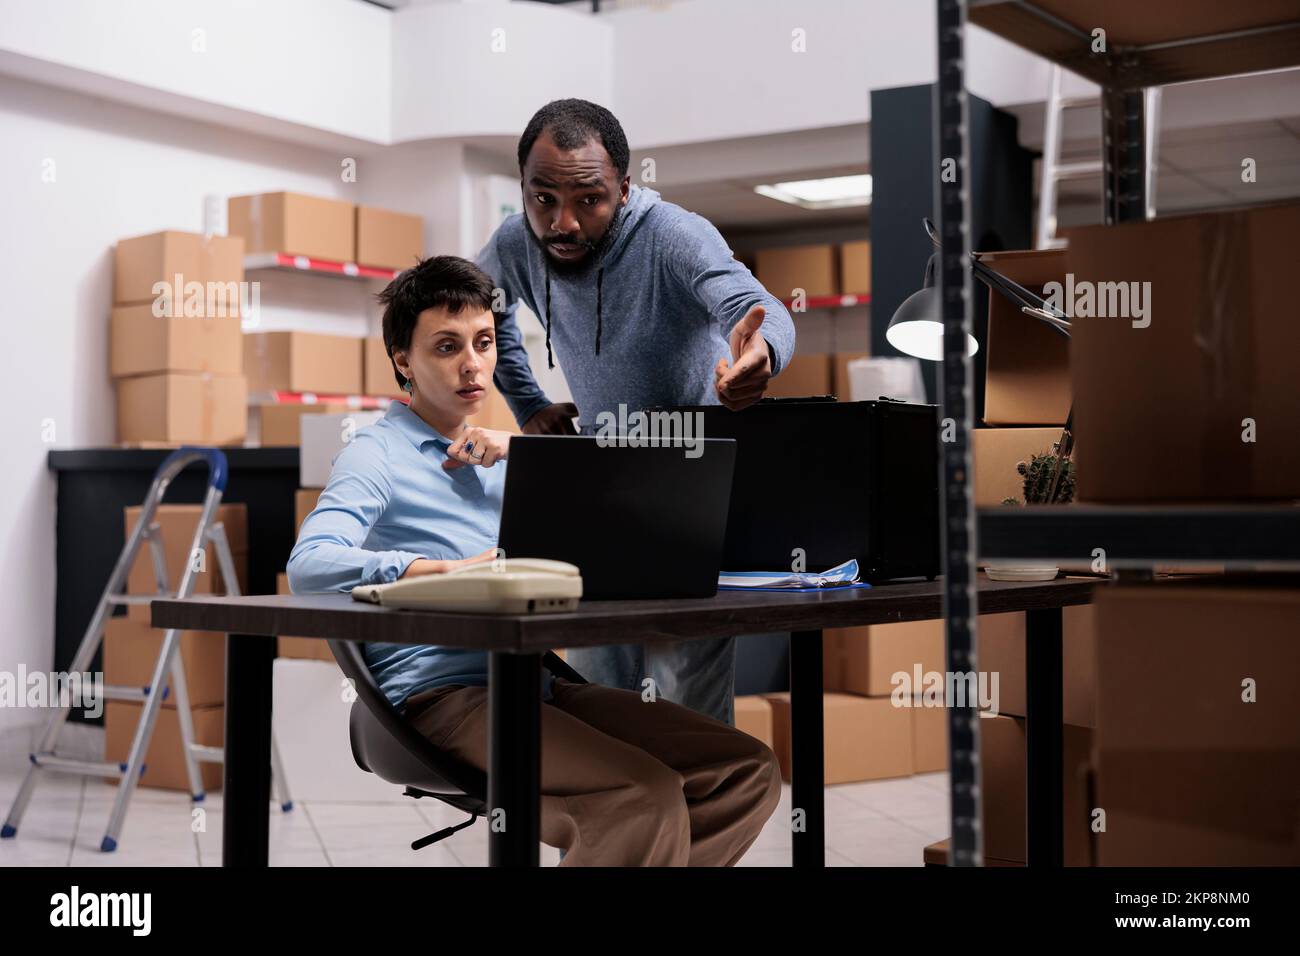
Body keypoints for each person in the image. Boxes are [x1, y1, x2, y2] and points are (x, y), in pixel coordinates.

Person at [287, 255, 781, 866]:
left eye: (485, 342)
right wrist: (436, 570)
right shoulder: (376, 454)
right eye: (446, 346)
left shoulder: (498, 457)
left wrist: (523, 453)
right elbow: (311, 563)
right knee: (643, 796)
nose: (473, 363)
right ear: (402, 361)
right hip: (440, 698)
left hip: (533, 684)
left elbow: (609, 524)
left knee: (746, 769)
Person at [478, 98, 797, 725]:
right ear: (523, 189)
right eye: (543, 199)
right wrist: (528, 402)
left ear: (624, 189)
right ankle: (630, 820)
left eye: (588, 199)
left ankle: (702, 820)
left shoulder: (674, 236)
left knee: (685, 697)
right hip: (597, 481)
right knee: (601, 691)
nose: (562, 222)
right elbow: (479, 309)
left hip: (691, 482)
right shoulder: (516, 242)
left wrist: (758, 353)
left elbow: (760, 308)